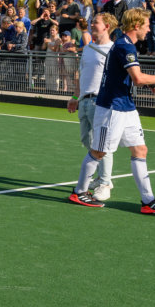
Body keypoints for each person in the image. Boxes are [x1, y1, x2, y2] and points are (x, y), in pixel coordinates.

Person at [69, 8, 155, 213]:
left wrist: (149, 84)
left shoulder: (125, 46)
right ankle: (79, 191)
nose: (147, 29)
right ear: (136, 25)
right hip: (112, 108)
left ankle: (148, 201)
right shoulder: (124, 46)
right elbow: (137, 77)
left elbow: (129, 76)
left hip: (125, 106)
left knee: (140, 150)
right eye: (145, 25)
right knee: (99, 151)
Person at [66, 13, 116, 201]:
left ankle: (105, 182)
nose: (92, 24)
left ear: (107, 26)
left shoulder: (113, 49)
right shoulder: (88, 48)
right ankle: (101, 178)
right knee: (88, 141)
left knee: (102, 144)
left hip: (101, 101)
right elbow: (81, 74)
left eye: (96, 22)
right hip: (84, 101)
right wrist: (75, 96)